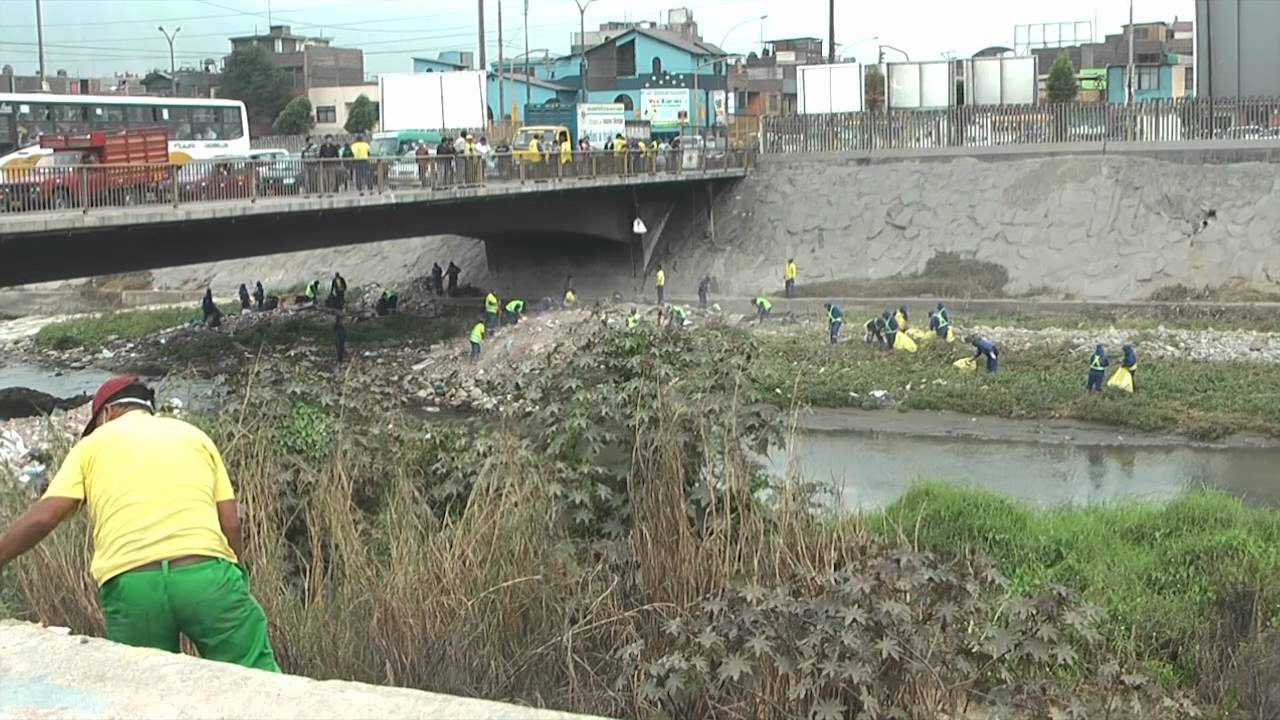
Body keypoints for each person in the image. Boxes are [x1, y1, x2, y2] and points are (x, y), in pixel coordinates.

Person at [0, 376, 279, 671]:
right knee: (258, 677)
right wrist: (233, 572)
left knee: (145, 686)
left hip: (132, 585)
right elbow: (231, 521)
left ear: (105, 413)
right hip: (205, 575)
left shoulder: (91, 446)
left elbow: (44, 516)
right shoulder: (194, 436)